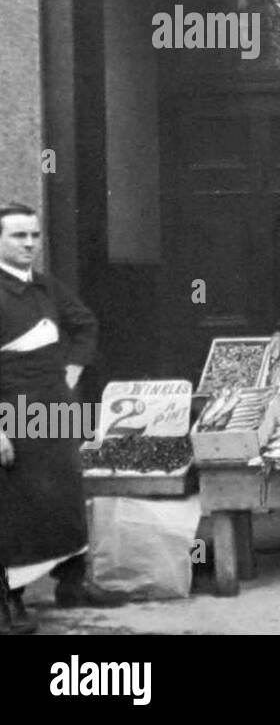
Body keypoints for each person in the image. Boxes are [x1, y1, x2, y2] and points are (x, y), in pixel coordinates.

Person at [0, 202, 121, 636]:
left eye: (34, 235)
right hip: (12, 413)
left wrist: (70, 370)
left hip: (54, 409)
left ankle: (71, 584)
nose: (29, 243)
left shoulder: (45, 287)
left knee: (66, 495)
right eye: (18, 236)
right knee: (16, 507)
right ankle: (8, 601)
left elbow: (84, 323)